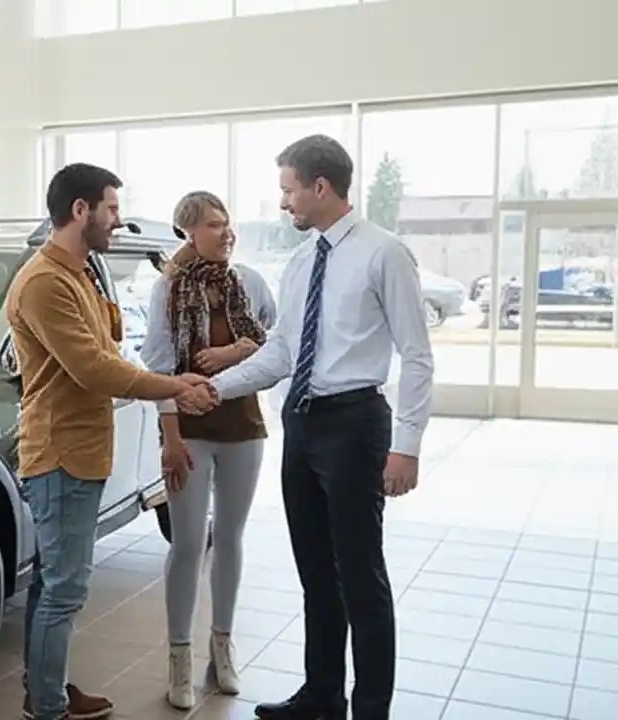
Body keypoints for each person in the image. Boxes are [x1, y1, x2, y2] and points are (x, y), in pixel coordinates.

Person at [183, 135, 434, 720]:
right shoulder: (302, 262)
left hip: (355, 425)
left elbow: (417, 356)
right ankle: (322, 693)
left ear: (320, 187)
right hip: (302, 425)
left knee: (361, 576)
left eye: (289, 190)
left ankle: (370, 708)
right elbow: (282, 355)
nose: (284, 203)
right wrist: (214, 388)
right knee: (316, 573)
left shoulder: (383, 252)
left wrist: (408, 447)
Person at [8, 163, 212, 720]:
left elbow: (113, 341)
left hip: (81, 452)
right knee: (65, 591)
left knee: (53, 582)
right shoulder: (45, 281)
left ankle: (44, 690)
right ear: (81, 210)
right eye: (113, 209)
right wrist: (173, 386)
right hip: (59, 457)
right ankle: (48, 707)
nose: (118, 221)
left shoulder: (80, 271)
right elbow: (94, 368)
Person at [139, 191, 277, 710]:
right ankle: (179, 657)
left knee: (233, 538)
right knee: (189, 543)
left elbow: (272, 339)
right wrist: (171, 438)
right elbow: (158, 364)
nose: (226, 233)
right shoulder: (168, 289)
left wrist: (235, 350)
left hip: (243, 423)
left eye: (228, 223)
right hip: (189, 429)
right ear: (188, 232)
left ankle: (222, 649)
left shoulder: (250, 282)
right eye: (215, 225)